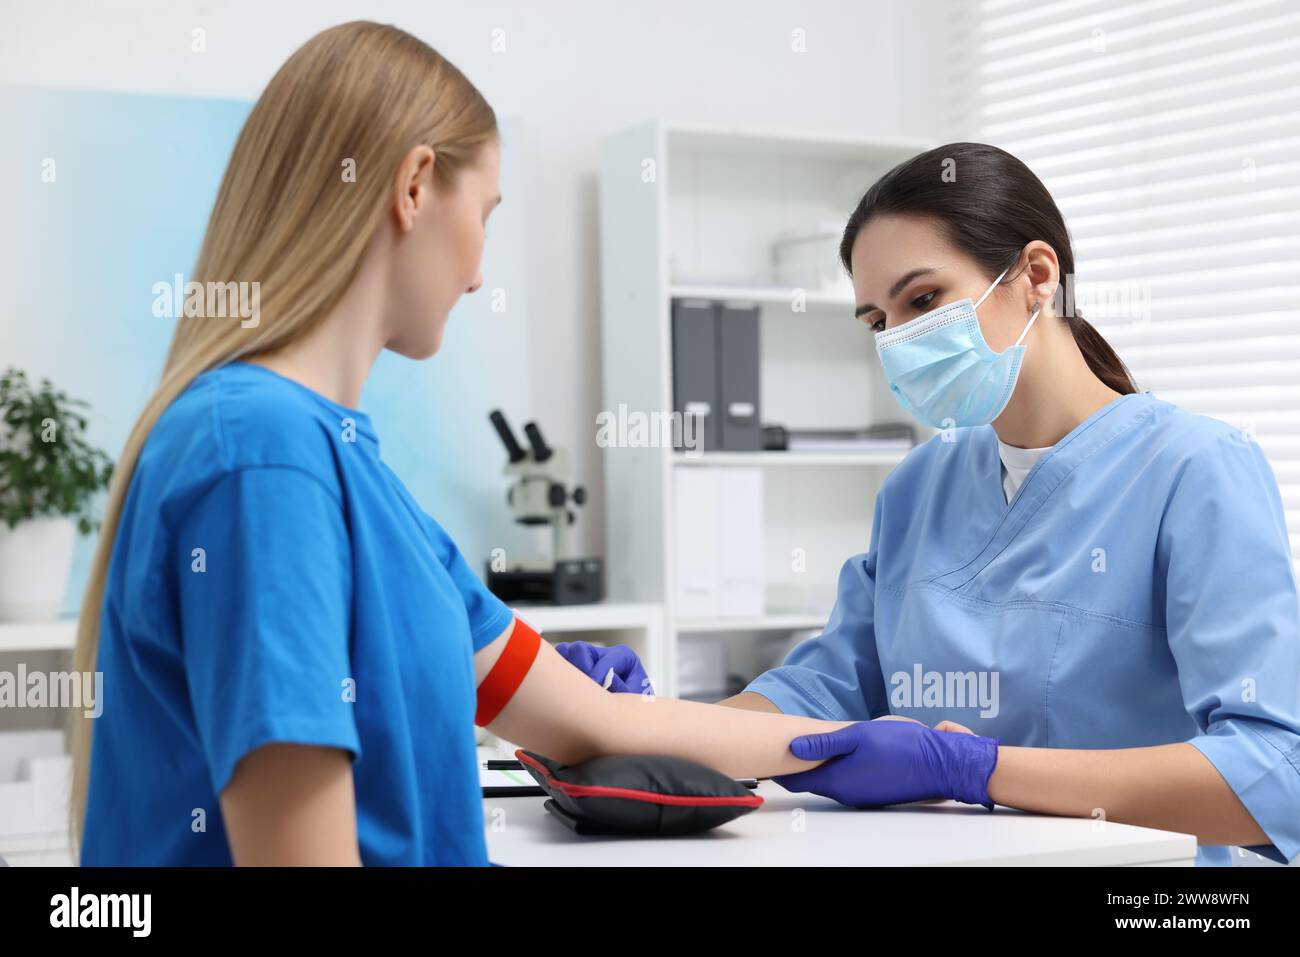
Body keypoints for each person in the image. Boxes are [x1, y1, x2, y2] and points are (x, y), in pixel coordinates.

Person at [69, 21, 902, 866]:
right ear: (416, 185)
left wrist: (853, 743)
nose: (478, 274)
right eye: (487, 214)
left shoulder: (356, 475)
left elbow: (603, 720)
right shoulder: (263, 457)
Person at [560, 143, 1300, 866]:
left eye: (923, 299)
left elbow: (1276, 773)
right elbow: (820, 694)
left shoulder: (1195, 469)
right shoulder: (919, 487)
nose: (901, 338)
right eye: (879, 321)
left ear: (1037, 275)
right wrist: (638, 722)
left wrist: (975, 769)